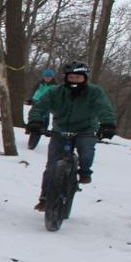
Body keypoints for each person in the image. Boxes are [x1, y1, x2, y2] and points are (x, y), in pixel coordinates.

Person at [25, 61, 117, 212]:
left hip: (85, 129)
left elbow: (104, 108)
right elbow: (40, 106)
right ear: (66, 78)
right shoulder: (56, 91)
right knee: (51, 166)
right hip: (60, 130)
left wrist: (108, 124)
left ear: (85, 78)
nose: (74, 81)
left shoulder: (94, 92)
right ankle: (45, 198)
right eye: (71, 77)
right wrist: (35, 121)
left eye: (78, 78)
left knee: (86, 149)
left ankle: (85, 172)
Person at [25, 68, 58, 150]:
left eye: (49, 77)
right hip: (36, 100)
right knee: (33, 114)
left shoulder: (55, 86)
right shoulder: (40, 83)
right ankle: (29, 128)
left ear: (52, 77)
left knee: (45, 117)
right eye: (45, 77)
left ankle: (43, 128)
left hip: (46, 103)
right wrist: (29, 99)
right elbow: (33, 91)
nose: (47, 78)